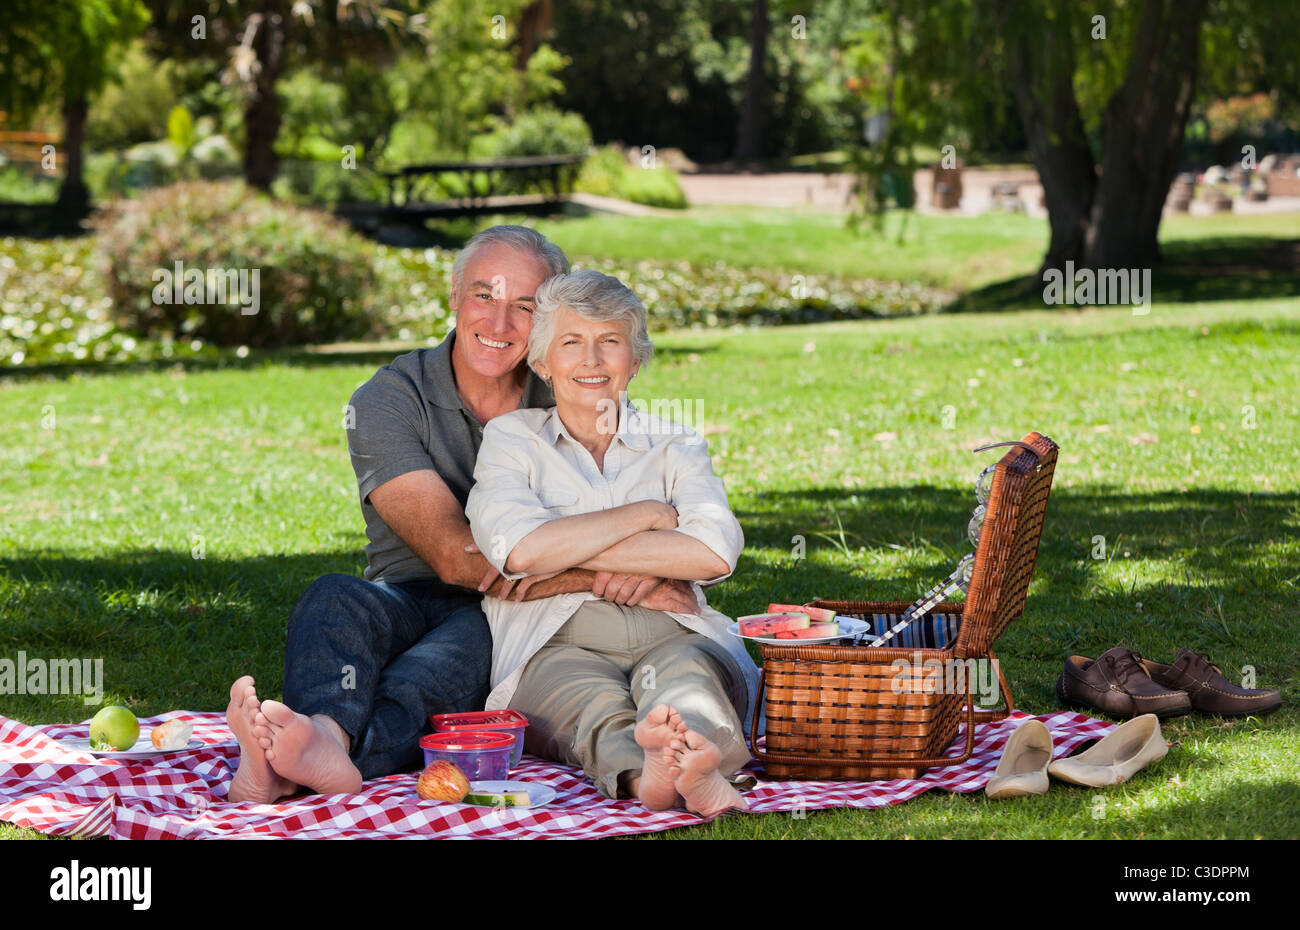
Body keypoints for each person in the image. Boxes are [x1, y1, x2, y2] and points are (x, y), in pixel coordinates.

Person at [224, 227, 700, 803]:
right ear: (454, 294)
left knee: (456, 652)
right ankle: (320, 736)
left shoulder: (570, 389)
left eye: (524, 306)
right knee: (333, 598)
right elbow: (455, 557)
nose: (499, 325)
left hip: (514, 611)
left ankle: (314, 759)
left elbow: (654, 503)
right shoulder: (390, 398)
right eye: (484, 296)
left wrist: (644, 552)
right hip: (409, 592)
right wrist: (617, 578)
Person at [466, 269, 759, 817]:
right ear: (541, 362)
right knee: (591, 702)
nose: (592, 361)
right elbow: (520, 550)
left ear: (636, 359)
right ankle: (648, 779)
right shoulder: (511, 439)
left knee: (688, 682)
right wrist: (649, 517)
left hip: (672, 627)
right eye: (571, 343)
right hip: (555, 639)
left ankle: (697, 767)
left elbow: (714, 551)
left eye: (610, 342)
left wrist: (564, 550)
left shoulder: (675, 442)